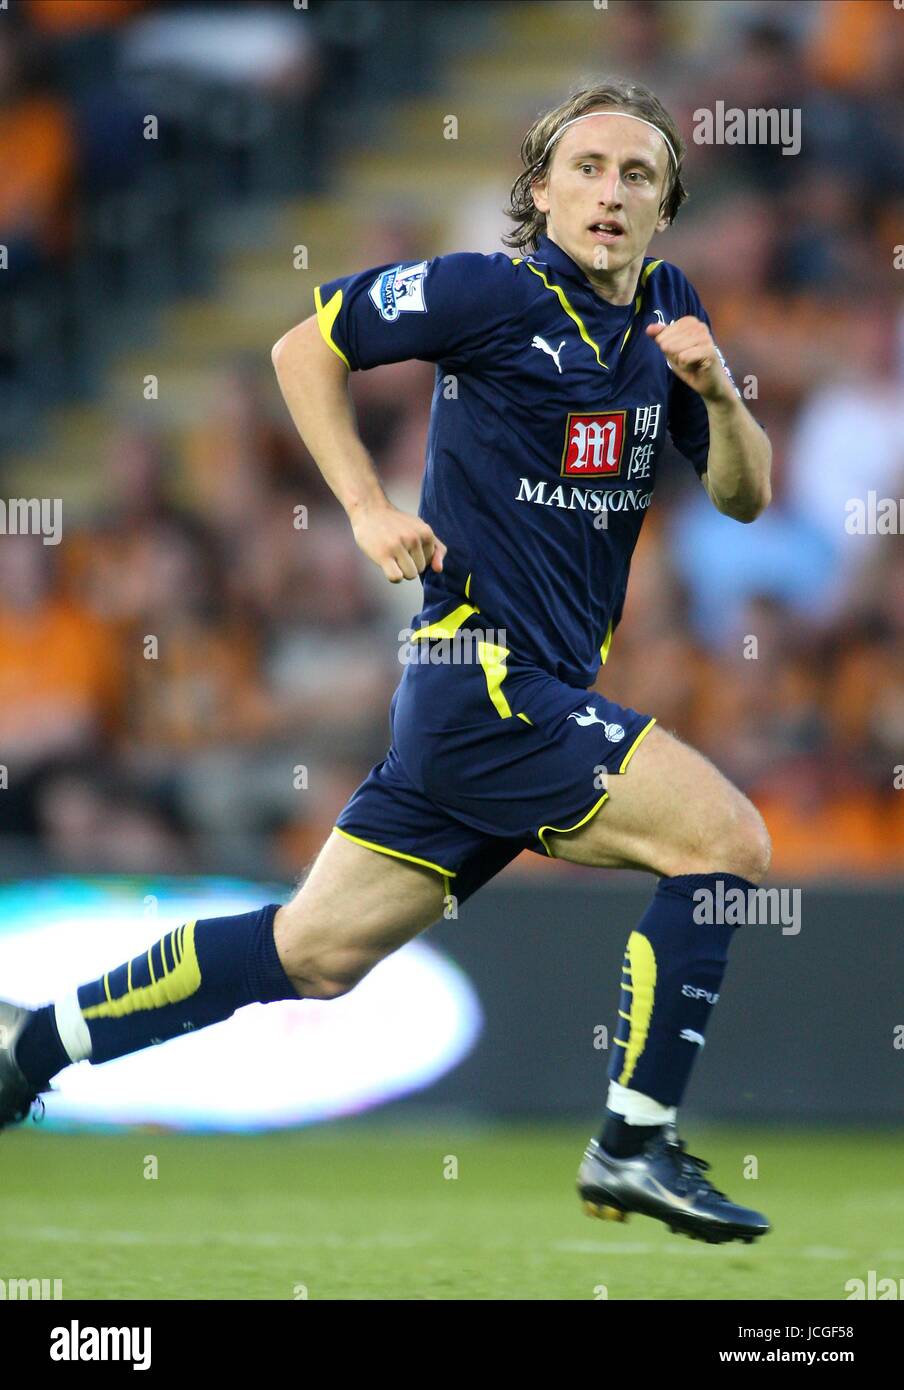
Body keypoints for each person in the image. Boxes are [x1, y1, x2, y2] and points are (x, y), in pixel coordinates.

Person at [1, 79, 773, 1245]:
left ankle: (29, 1045)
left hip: (515, 700)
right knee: (723, 843)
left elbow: (742, 496)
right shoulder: (483, 292)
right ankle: (634, 1141)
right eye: (586, 169)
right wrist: (362, 507)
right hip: (487, 682)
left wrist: (719, 393)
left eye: (636, 176)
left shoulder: (669, 314)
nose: (609, 193)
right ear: (539, 190)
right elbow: (302, 346)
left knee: (308, 954)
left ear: (665, 208)